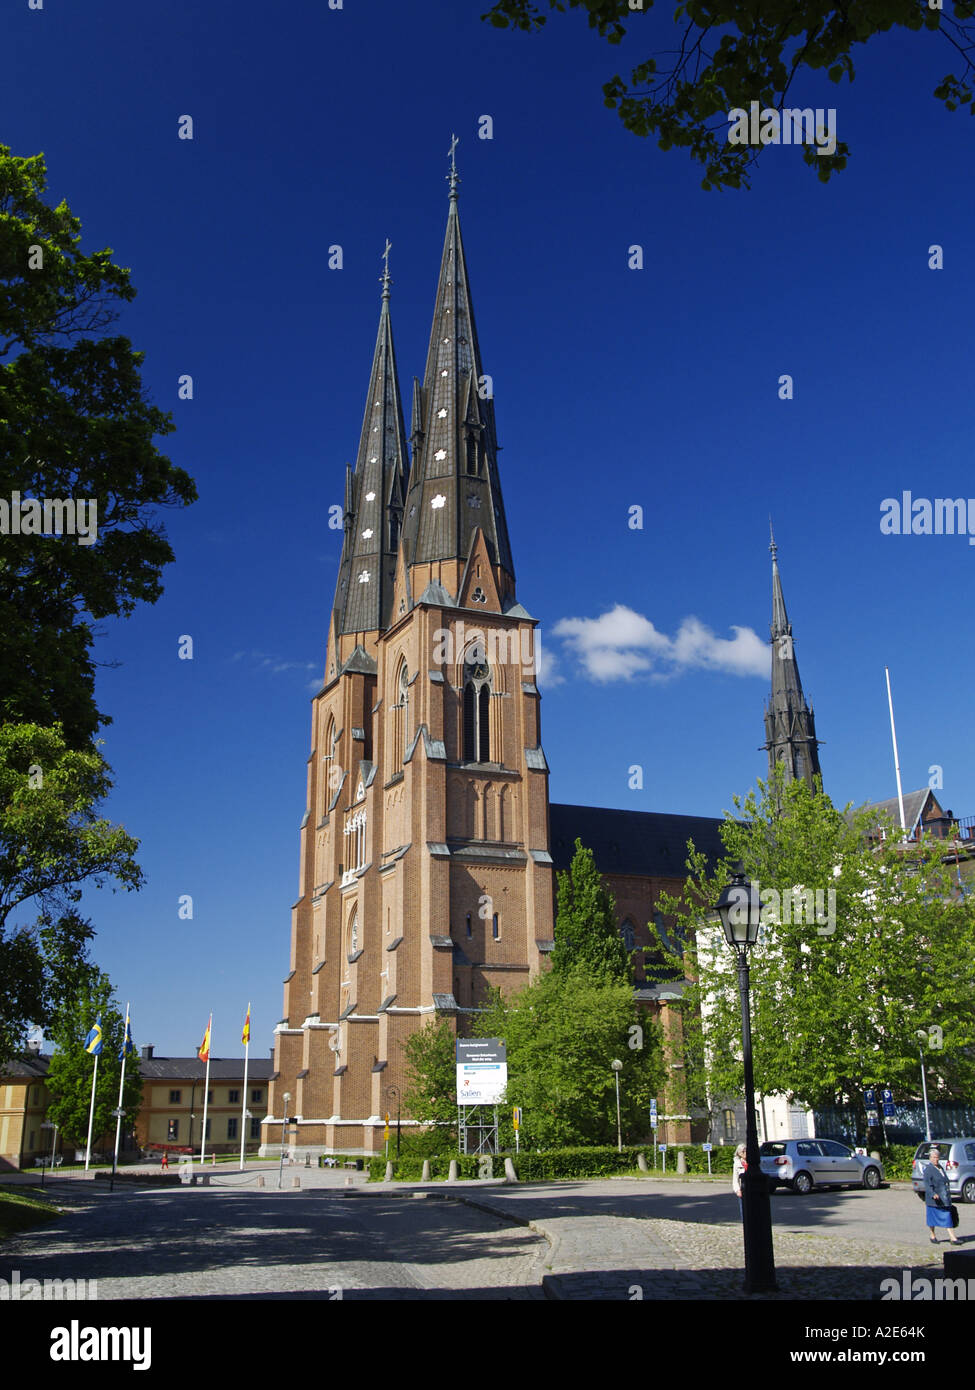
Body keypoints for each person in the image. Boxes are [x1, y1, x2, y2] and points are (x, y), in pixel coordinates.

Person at [922, 1145, 959, 1245]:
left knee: (947, 1216)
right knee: (932, 1220)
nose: (936, 1159)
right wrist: (933, 1194)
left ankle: (952, 1238)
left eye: (937, 1157)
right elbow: (927, 1184)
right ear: (930, 1158)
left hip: (944, 1198)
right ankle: (932, 1235)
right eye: (934, 1157)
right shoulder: (928, 1169)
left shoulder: (940, 1168)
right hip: (934, 1200)